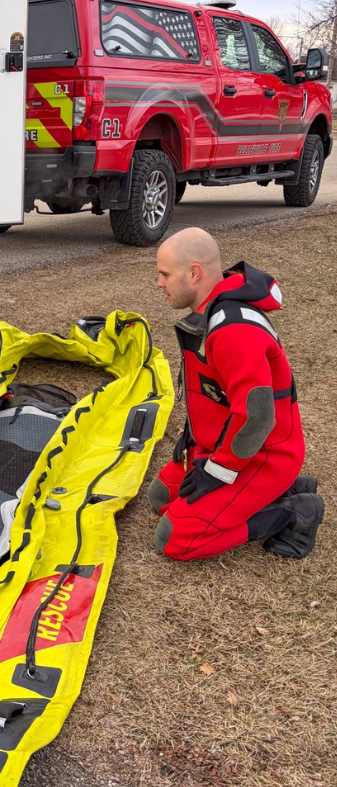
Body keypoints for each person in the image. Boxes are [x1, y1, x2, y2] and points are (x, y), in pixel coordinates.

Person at [148, 227, 321, 560]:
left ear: (194, 273)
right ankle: (286, 489)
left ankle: (294, 511)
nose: (159, 283)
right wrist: (194, 445)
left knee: (174, 540)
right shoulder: (213, 310)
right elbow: (217, 398)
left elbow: (256, 419)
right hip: (221, 445)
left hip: (261, 453)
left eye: (165, 274)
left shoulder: (232, 332)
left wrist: (217, 472)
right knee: (161, 499)